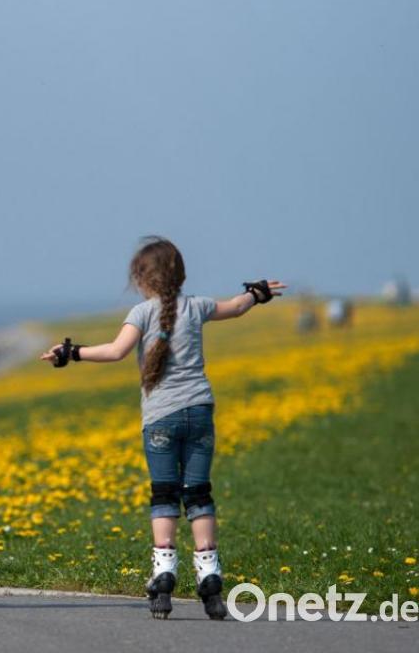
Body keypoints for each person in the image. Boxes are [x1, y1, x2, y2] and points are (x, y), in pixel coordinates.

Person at [39, 236, 286, 620]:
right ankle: (210, 580)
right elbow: (237, 307)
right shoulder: (198, 306)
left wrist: (70, 353)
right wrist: (258, 293)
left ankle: (164, 575)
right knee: (199, 494)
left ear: (141, 278)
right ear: (181, 274)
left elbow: (116, 351)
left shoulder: (141, 313)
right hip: (201, 411)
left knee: (165, 495)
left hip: (160, 418)